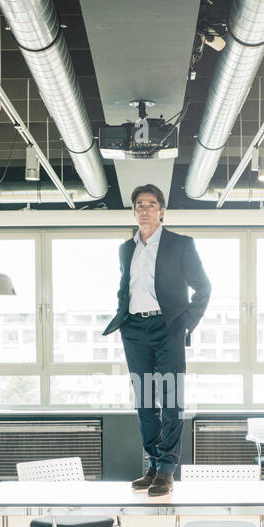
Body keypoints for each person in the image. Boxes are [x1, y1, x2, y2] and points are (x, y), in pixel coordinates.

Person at [102, 184, 210, 496]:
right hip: (134, 330)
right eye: (139, 204)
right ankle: (153, 465)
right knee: (145, 403)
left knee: (171, 401)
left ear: (161, 211)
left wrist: (185, 325)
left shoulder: (181, 244)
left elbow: (203, 287)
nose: (145, 209)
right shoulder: (126, 249)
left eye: (151, 204)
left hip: (168, 328)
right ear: (134, 211)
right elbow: (128, 287)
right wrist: (123, 316)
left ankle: (167, 470)